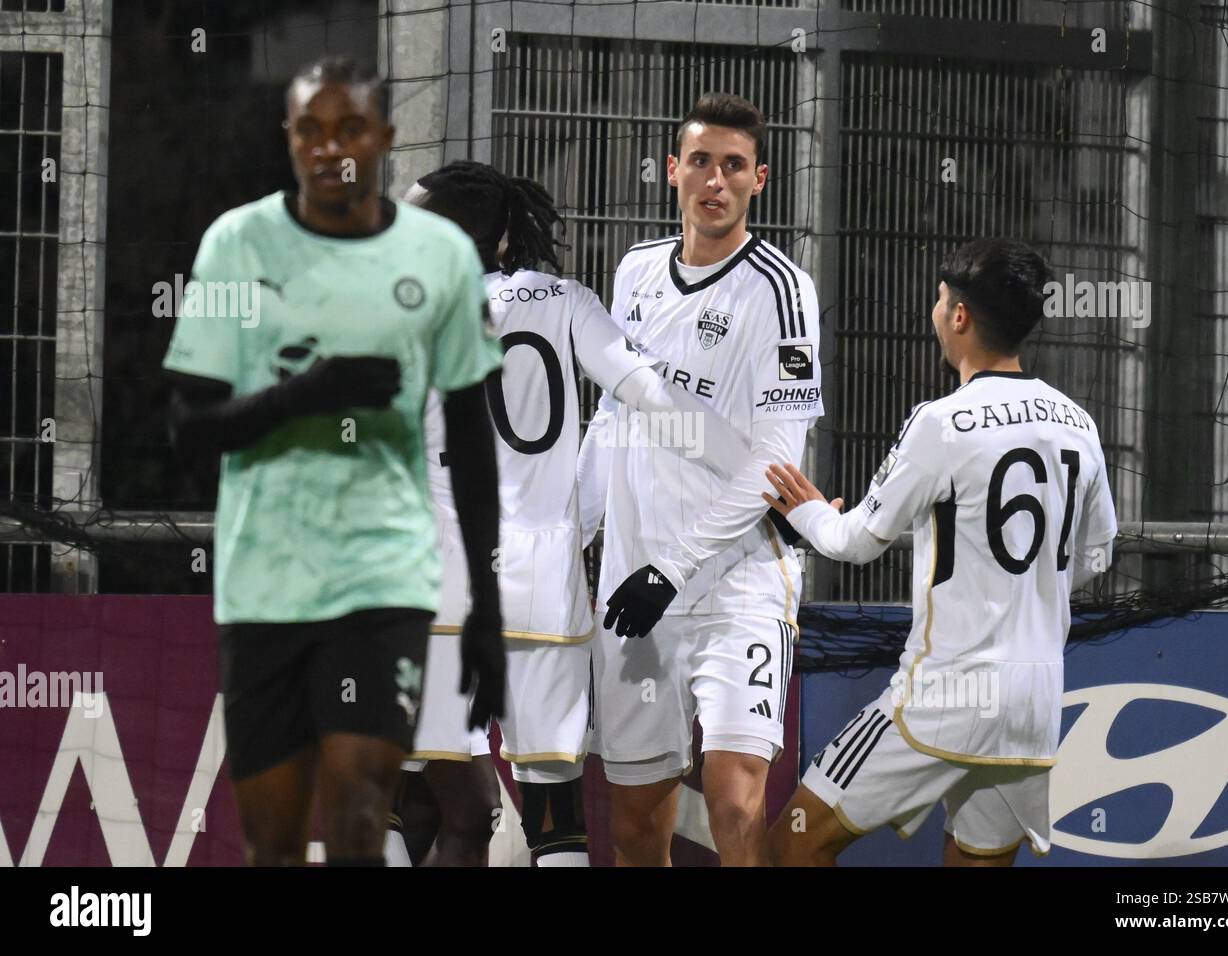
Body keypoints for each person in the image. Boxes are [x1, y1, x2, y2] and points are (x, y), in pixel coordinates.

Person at [161, 57, 505, 866]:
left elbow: (473, 436)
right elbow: (187, 429)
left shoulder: (440, 259)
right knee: (275, 843)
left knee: (359, 815)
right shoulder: (234, 245)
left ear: (383, 138)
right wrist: (304, 394)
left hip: (384, 579)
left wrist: (486, 605)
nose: (330, 148)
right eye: (310, 129)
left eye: (350, 127)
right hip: (265, 580)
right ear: (290, 139)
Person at [393, 161, 750, 866]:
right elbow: (651, 397)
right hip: (543, 591)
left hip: (438, 585)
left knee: (396, 796)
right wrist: (753, 468)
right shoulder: (568, 301)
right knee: (553, 818)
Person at [764, 238, 1117, 866]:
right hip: (1033, 703)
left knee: (793, 842)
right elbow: (1096, 556)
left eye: (938, 298)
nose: (934, 310)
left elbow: (856, 542)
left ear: (959, 316)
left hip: (942, 695)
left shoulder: (941, 422)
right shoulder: (1079, 423)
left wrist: (806, 511)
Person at [586, 93, 823, 866]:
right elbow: (610, 418)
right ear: (671, 171)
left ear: (761, 178)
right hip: (633, 584)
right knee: (635, 822)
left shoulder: (782, 291)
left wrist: (674, 567)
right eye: (699, 162)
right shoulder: (634, 273)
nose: (713, 180)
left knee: (734, 796)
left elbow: (776, 462)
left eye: (731, 166)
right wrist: (575, 538)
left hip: (734, 581)